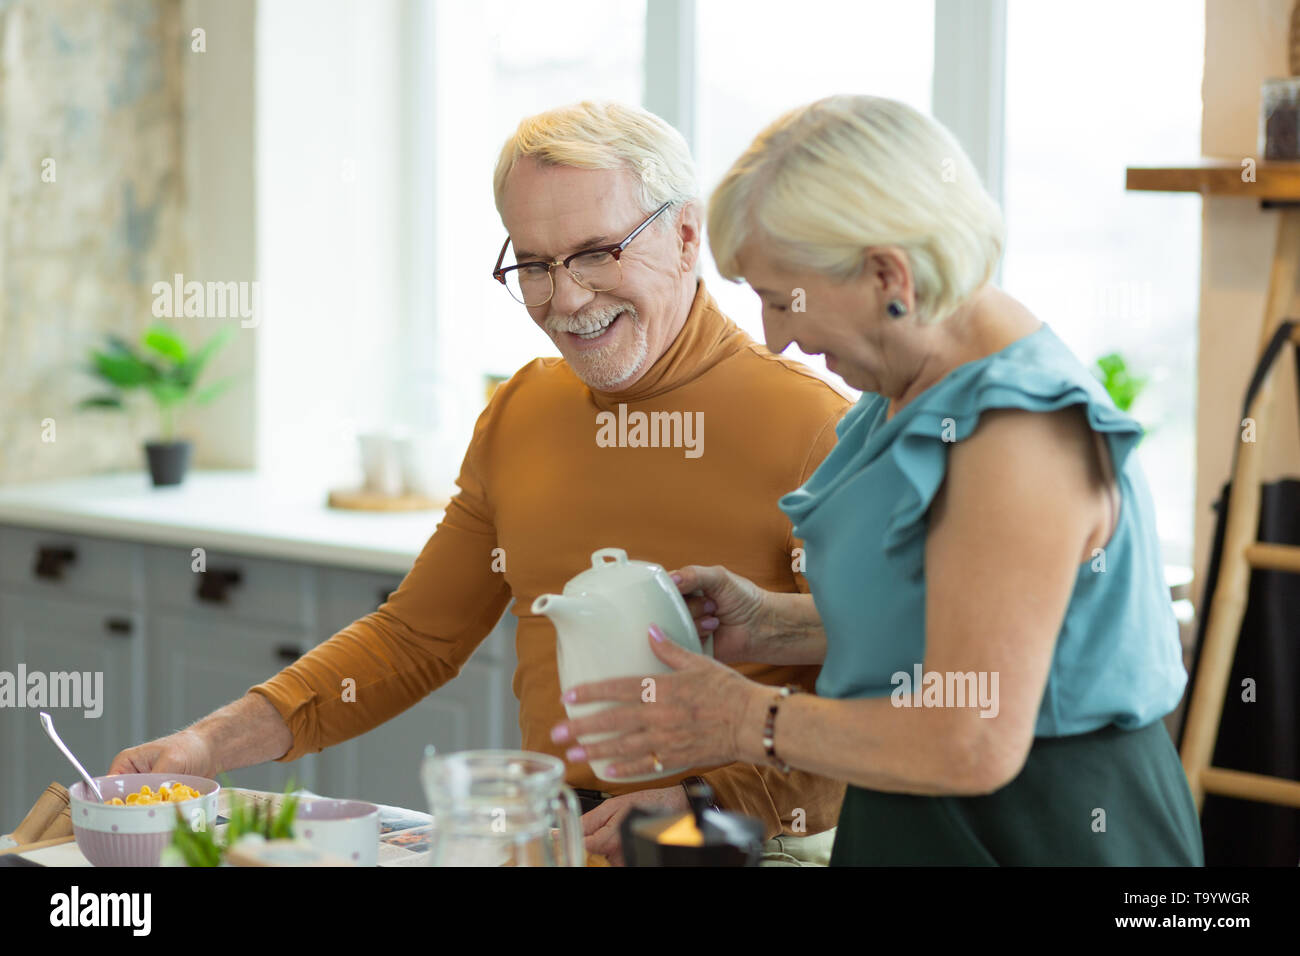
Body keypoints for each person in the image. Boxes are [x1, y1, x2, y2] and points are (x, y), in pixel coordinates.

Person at [108, 101, 851, 866]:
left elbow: (877, 722)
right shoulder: (522, 410)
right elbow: (414, 636)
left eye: (597, 252)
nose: (565, 300)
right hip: (553, 837)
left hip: (745, 850)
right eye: (533, 263)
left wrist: (703, 799)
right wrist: (208, 743)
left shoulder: (814, 427)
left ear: (686, 235)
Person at [549, 94, 1205, 865]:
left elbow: (972, 736)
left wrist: (744, 719)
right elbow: (959, 626)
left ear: (887, 272)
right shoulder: (909, 390)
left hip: (1040, 832)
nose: (775, 334)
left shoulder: (1019, 435)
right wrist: (773, 625)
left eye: (781, 298)